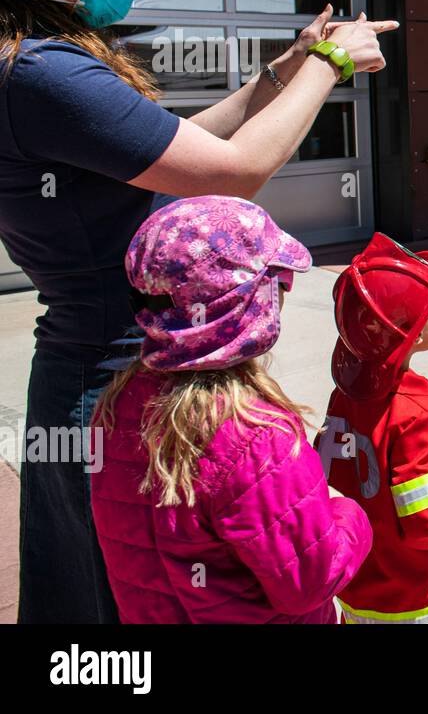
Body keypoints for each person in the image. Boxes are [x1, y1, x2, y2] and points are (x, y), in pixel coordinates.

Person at [0, 0, 396, 623]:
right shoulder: (45, 73)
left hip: (89, 369)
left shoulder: (30, 64)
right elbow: (236, 170)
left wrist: (280, 73)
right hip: (113, 377)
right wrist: (329, 63)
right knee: (120, 609)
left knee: (101, 605)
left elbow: (178, 149)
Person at [89, 197, 373, 623]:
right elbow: (309, 582)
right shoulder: (257, 436)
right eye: (278, 283)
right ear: (247, 303)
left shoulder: (117, 406)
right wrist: (346, 512)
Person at [316, 234, 428, 625]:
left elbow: (348, 461)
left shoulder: (345, 394)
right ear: (416, 333)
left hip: (356, 582)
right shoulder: (417, 411)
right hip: (411, 594)